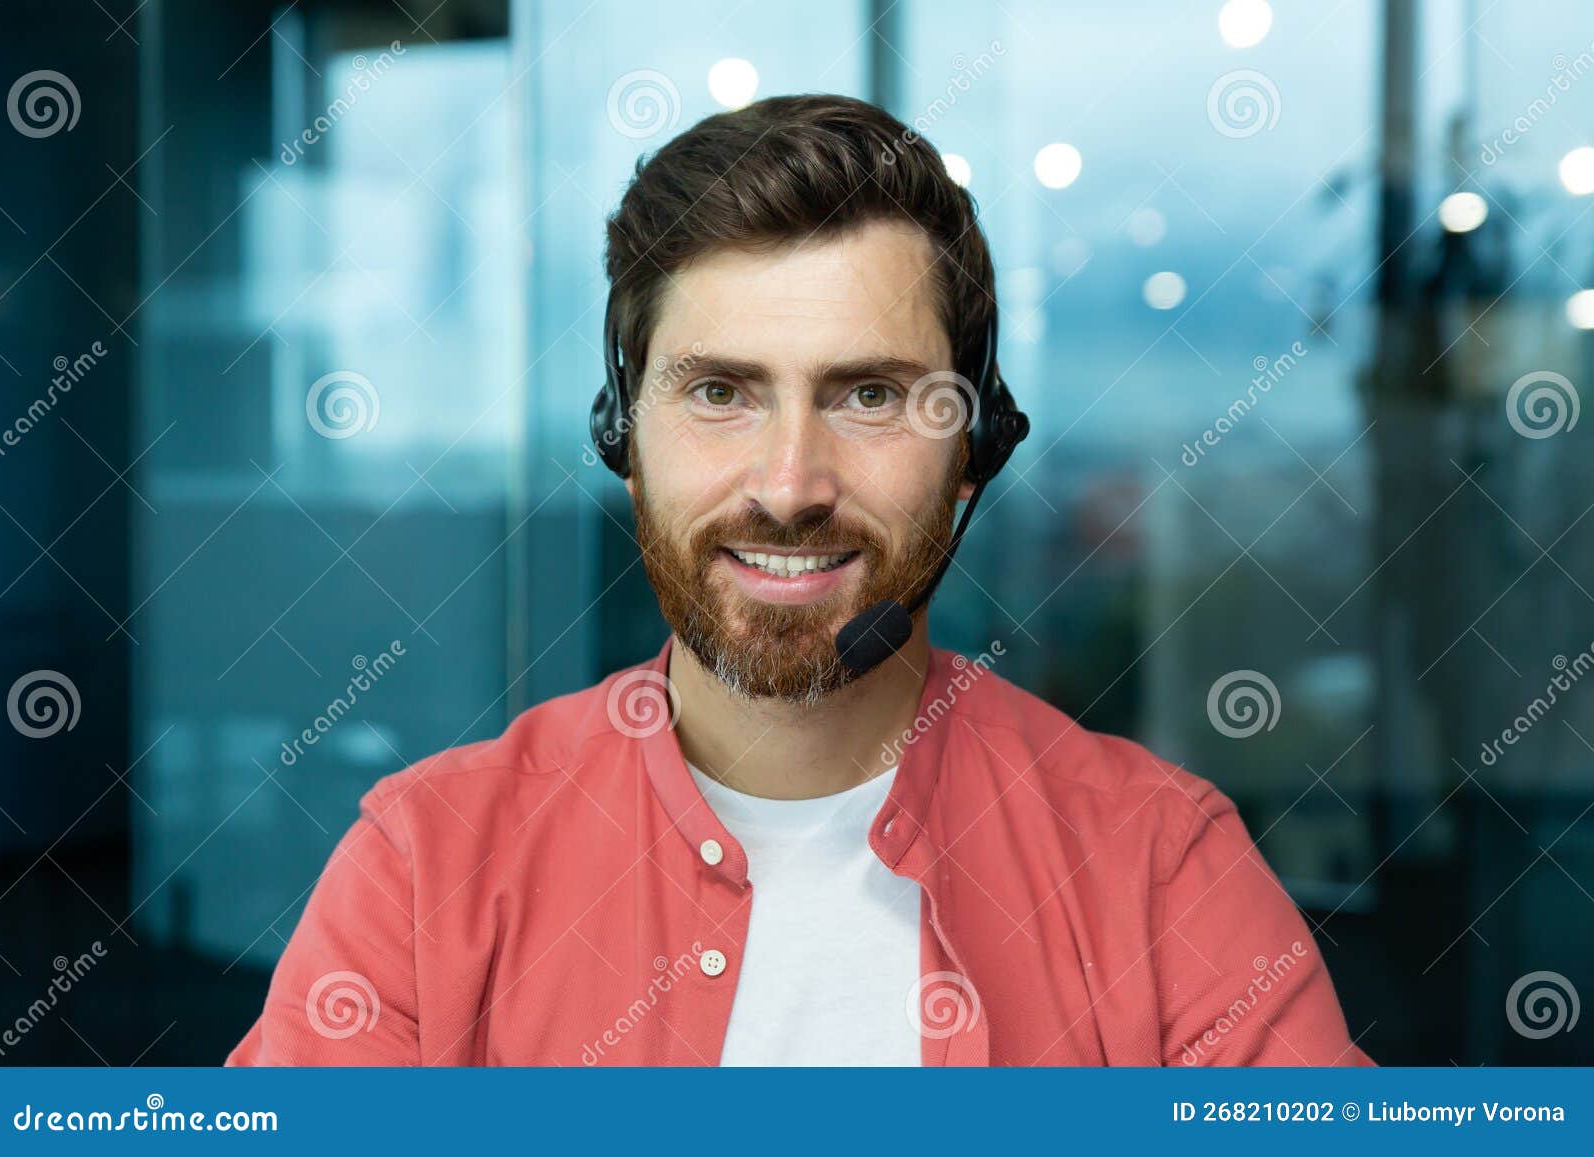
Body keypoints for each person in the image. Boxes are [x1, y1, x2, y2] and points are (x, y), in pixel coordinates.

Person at [227, 93, 1372, 1067]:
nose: (788, 486)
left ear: (974, 450)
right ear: (623, 435)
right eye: (719, 392)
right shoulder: (424, 867)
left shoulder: (1160, 869)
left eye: (869, 395)